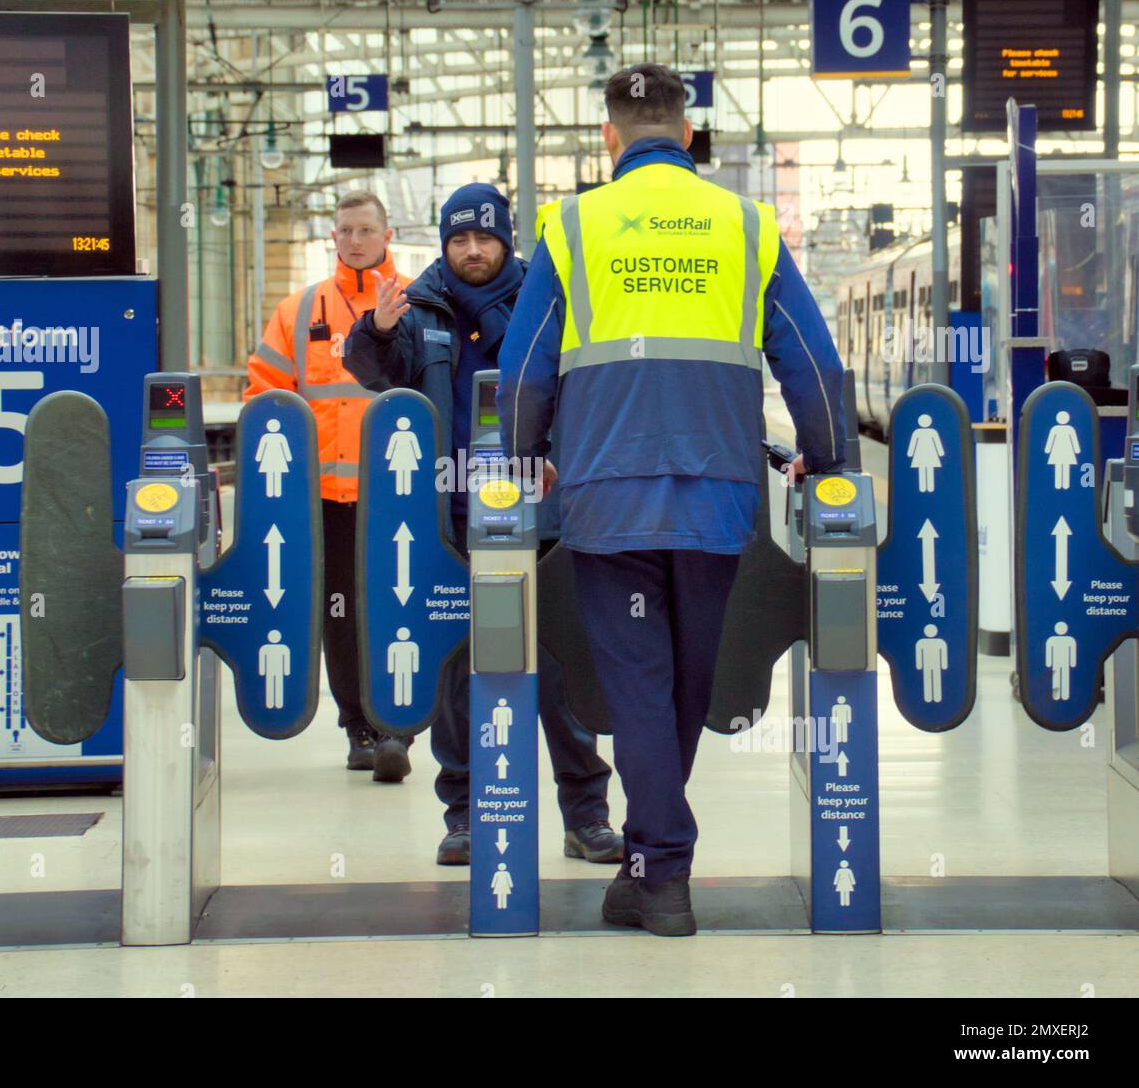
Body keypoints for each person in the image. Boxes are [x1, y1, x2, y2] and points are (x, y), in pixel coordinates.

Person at [496, 63, 846, 935]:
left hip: (608, 495)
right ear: (687, 136)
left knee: (641, 681)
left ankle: (660, 874)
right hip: (718, 491)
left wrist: (520, 457)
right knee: (686, 680)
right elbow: (812, 356)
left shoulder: (572, 225)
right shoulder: (746, 224)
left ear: (609, 138)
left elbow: (522, 366)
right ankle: (654, 863)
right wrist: (826, 456)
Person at [344, 182, 623, 867]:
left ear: (506, 238)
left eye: (485, 237)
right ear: (444, 243)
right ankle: (464, 813)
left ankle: (585, 813)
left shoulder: (545, 297)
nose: (473, 250)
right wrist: (377, 333)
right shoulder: (419, 307)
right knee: (459, 677)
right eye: (459, 239)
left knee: (559, 671)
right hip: (455, 519)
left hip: (543, 514)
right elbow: (374, 372)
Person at [244, 190, 414, 782]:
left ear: (386, 235)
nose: (356, 240)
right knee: (339, 612)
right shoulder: (298, 312)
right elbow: (263, 400)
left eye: (367, 229)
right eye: (346, 231)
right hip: (327, 502)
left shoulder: (416, 304)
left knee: (400, 607)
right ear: (333, 239)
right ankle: (359, 729)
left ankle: (398, 723)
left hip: (400, 495)